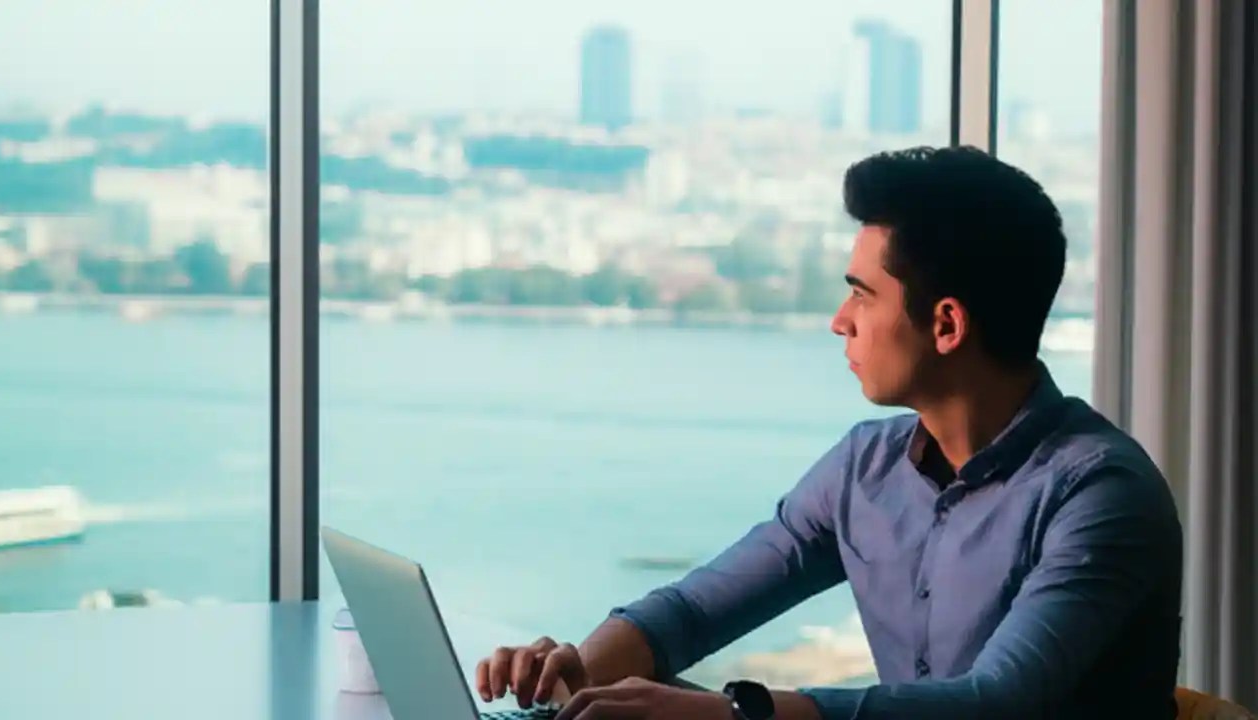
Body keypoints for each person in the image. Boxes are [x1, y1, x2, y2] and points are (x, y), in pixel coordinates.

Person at [474, 146, 1183, 720]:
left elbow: (995, 703)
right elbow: (691, 610)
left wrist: (734, 716)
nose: (840, 320)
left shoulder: (1099, 494)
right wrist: (576, 675)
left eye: (862, 293)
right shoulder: (863, 471)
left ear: (946, 325)